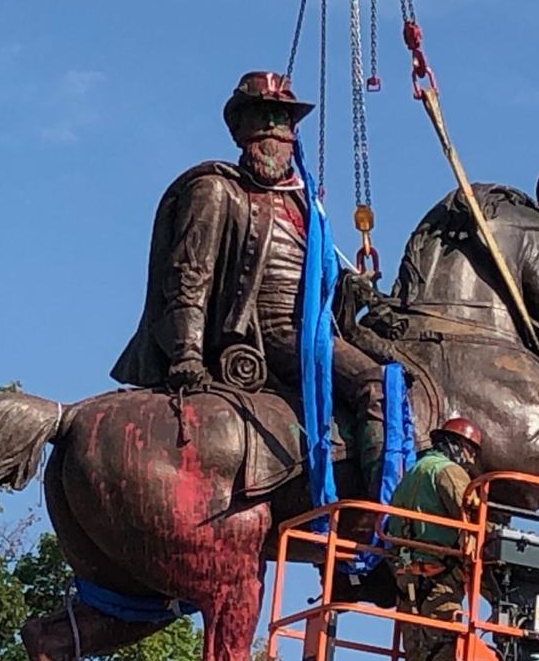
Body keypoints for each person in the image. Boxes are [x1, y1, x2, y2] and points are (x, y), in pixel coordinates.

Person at [111, 71, 389, 498]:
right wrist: (187, 351)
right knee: (374, 382)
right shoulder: (217, 189)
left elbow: (322, 274)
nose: (274, 133)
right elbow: (190, 272)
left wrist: (358, 290)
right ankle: (383, 509)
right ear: (239, 130)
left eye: (282, 122)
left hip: (313, 325)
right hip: (271, 333)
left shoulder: (306, 203)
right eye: (262, 119)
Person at [385, 417, 484, 661]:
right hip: (439, 579)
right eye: (470, 451)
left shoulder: (413, 473)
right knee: (440, 645)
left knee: (415, 651)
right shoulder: (449, 472)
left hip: (407, 580)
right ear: (457, 446)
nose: (470, 459)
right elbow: (473, 516)